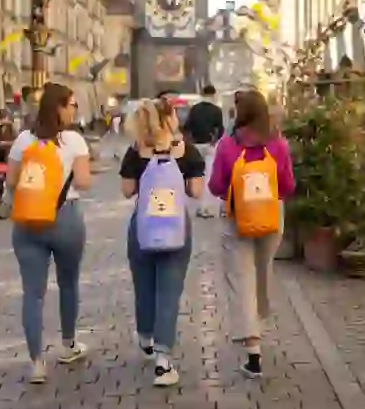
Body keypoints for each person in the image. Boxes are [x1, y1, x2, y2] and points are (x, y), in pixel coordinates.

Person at [7, 83, 92, 384]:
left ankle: (36, 363)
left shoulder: (23, 139)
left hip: (28, 220)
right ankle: (68, 345)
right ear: (59, 107)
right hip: (65, 218)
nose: (74, 110)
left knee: (32, 292)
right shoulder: (73, 140)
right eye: (72, 105)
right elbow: (83, 182)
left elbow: (11, 180)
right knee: (68, 283)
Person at [208, 89, 295, 379]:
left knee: (240, 279)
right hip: (271, 217)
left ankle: (253, 349)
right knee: (262, 272)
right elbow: (287, 186)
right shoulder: (278, 144)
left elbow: (216, 186)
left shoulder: (227, 145)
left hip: (238, 219)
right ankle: (259, 319)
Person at [119, 98, 205, 386]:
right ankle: (163, 361)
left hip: (142, 228)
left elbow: (127, 190)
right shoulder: (187, 151)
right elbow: (195, 191)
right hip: (176, 228)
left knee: (144, 286)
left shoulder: (135, 151)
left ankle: (145, 337)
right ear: (169, 119)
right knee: (169, 292)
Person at [183, 85, 224, 218]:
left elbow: (187, 127)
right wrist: (214, 141)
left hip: (195, 146)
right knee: (208, 176)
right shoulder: (216, 110)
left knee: (196, 175)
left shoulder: (195, 109)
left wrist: (189, 142)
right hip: (209, 145)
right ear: (213, 94)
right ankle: (205, 207)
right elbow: (220, 129)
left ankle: (196, 205)